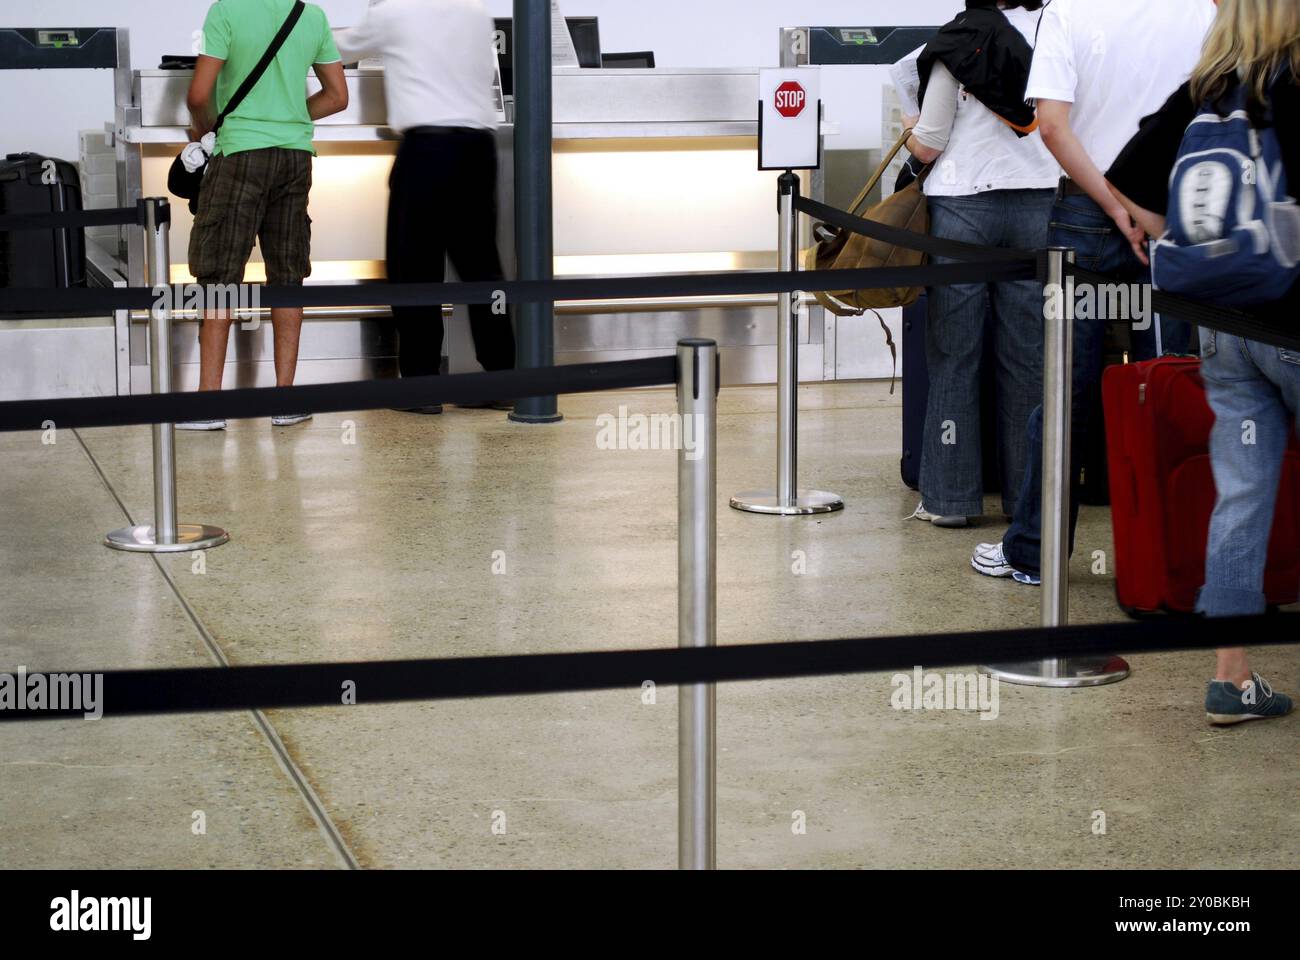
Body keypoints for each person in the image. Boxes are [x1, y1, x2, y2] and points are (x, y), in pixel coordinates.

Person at [970, 0, 1220, 583]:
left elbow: (1052, 126)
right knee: (1172, 387)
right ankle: (1175, 556)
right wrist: (1146, 209)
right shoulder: (1200, 12)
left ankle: (1035, 551)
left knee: (1063, 394)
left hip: (1085, 218)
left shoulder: (1069, 14)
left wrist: (1114, 204)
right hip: (1174, 217)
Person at [1107, 0, 1297, 724]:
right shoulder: (1294, 81)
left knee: (1241, 494)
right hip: (1292, 321)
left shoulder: (1207, 87)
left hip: (1221, 330)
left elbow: (1127, 176)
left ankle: (1232, 678)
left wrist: (1184, 248)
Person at [903, 0, 1059, 529]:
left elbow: (929, 145)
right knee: (1029, 359)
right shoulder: (1056, 33)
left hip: (964, 207)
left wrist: (908, 124)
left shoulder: (959, 38)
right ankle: (1027, 501)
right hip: (1040, 205)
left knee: (955, 352)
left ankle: (950, 499)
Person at [335, 0, 517, 417]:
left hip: (427, 149)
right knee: (481, 267)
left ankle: (421, 385)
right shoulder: (475, 11)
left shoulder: (394, 12)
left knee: (414, 268)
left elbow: (335, 49)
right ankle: (504, 378)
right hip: (477, 149)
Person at [180, 0, 349, 431]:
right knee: (287, 274)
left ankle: (208, 405)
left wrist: (205, 129)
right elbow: (337, 97)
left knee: (219, 275)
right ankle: (286, 399)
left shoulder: (226, 12)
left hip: (240, 154)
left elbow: (198, 94)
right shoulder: (311, 16)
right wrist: (289, 118)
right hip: (295, 157)